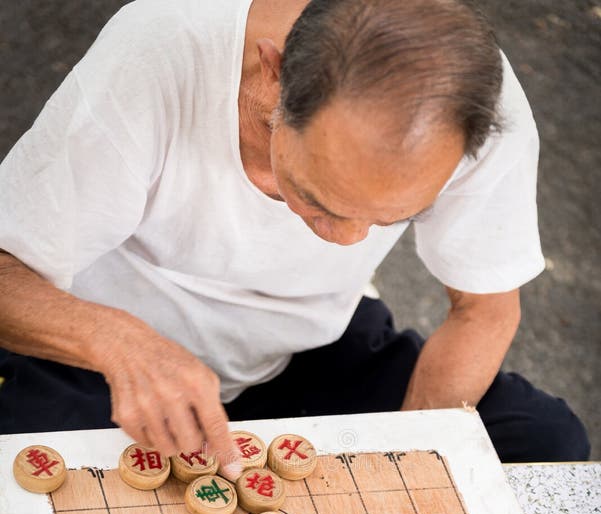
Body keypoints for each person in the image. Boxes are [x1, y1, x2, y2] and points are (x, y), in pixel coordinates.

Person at [0, 0, 590, 470]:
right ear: (274, 75)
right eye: (315, 200)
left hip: (302, 349)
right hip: (97, 356)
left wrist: (404, 460)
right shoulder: (159, 52)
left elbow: (482, 311)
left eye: (391, 218)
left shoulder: (473, 104)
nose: (349, 241)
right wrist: (122, 345)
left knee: (543, 440)